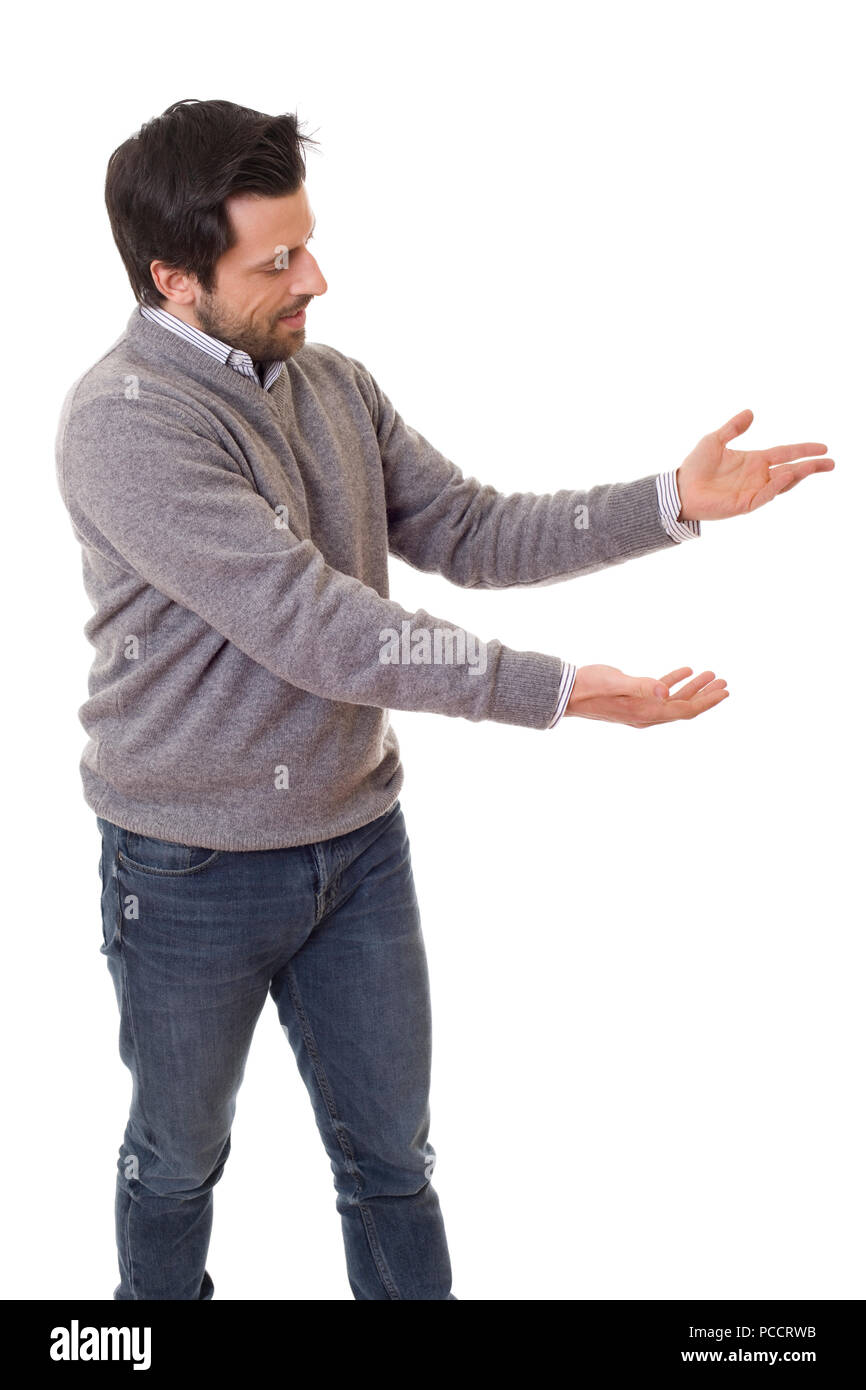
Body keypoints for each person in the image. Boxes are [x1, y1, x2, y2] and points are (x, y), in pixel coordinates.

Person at [54, 98, 835, 1301]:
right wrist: (563, 692)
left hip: (356, 845)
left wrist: (668, 503)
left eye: (305, 242)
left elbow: (466, 526)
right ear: (173, 278)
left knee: (393, 1165)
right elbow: (320, 631)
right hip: (187, 865)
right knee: (176, 1161)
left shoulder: (327, 381)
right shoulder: (123, 424)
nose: (315, 275)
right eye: (275, 261)